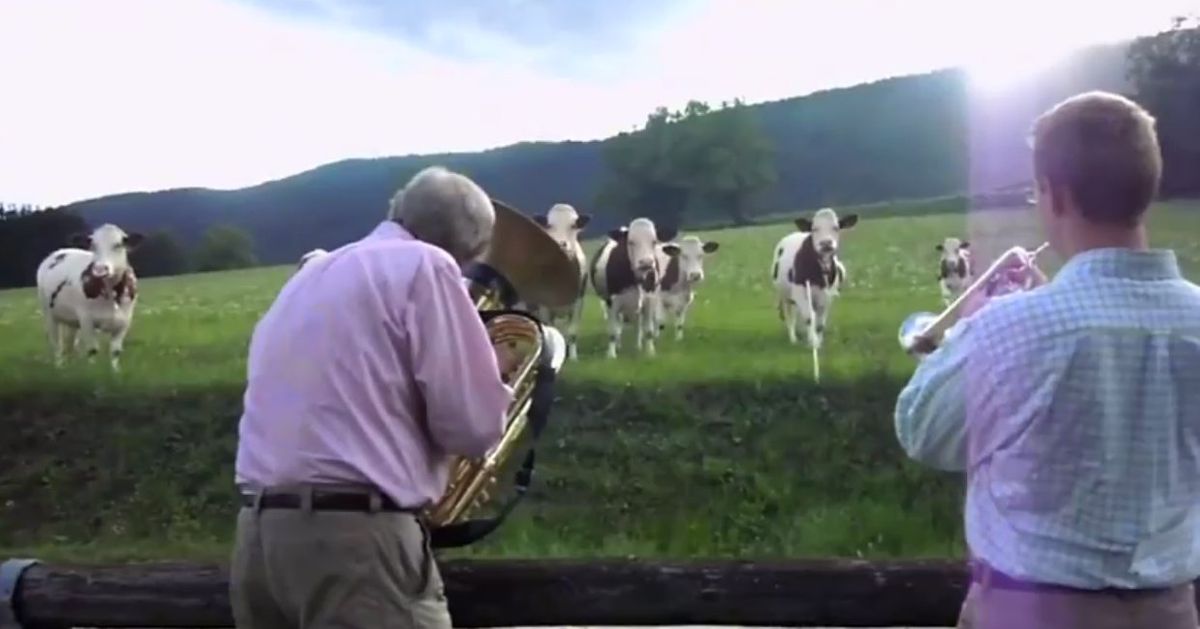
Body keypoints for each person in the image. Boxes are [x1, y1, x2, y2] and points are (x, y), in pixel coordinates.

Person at [895, 90, 1200, 629]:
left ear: (1054, 194)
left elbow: (922, 431)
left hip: (1028, 612)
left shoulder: (1008, 328)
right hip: (1169, 612)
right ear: (1144, 194)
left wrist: (973, 323)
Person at [230, 165, 520, 629]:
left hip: (261, 539)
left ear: (397, 209)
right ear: (470, 249)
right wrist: (493, 376)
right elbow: (471, 426)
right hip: (355, 543)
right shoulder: (428, 264)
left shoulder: (311, 273)